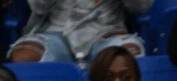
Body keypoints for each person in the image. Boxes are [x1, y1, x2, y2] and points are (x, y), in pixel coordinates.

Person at [9, 0, 149, 64]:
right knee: (24, 56)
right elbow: (39, 7)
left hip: (106, 32)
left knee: (130, 56)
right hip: (56, 34)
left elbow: (142, 7)